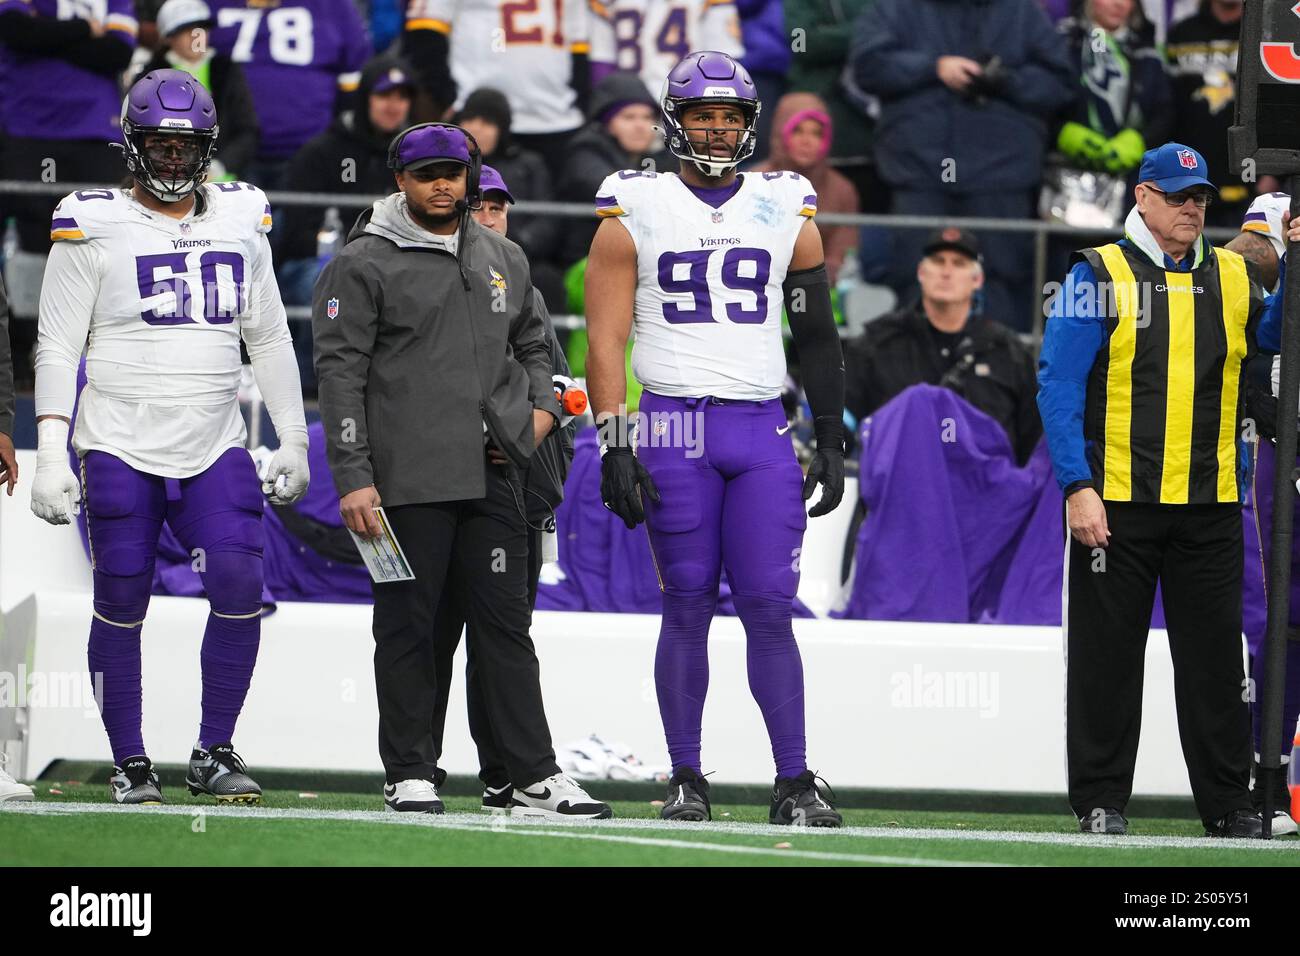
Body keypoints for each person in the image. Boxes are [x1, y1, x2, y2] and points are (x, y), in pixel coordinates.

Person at [312, 122, 610, 820]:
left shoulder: (503, 253)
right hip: (406, 478)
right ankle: (411, 771)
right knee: (413, 627)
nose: (443, 185)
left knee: (506, 628)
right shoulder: (362, 262)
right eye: (427, 174)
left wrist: (535, 420)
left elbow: (539, 346)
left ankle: (531, 775)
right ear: (400, 180)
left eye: (454, 172)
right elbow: (339, 373)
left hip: (501, 475)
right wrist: (352, 474)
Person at [29, 69, 310, 805]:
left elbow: (271, 335)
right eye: (161, 145)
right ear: (131, 142)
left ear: (210, 147)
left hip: (215, 437)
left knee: (242, 581)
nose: (176, 161)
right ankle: (130, 760)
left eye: (188, 149)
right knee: (122, 599)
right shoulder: (91, 220)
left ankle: (213, 749)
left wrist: (295, 440)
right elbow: (57, 346)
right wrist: (52, 452)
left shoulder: (243, 214)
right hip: (118, 437)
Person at [585, 51, 846, 826]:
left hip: (760, 423)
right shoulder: (635, 202)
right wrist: (616, 440)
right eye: (703, 114)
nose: (717, 128)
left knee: (771, 603)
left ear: (748, 124)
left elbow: (817, 331)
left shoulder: (784, 200)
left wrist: (829, 434)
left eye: (729, 117)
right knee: (688, 602)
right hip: (671, 420)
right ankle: (687, 776)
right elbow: (605, 339)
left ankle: (794, 780)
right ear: (676, 120)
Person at [1037, 142, 1269, 838]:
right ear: (1142, 197)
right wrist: (1077, 485)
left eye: (1199, 196)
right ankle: (1102, 801)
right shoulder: (1097, 273)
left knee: (1216, 667)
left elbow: (1279, 338)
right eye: (1177, 196)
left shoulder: (1232, 276)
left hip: (1210, 501)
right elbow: (1058, 384)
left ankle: (1230, 805)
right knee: (1108, 661)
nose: (1193, 207)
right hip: (1118, 503)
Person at [428, 164, 578, 811]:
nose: (489, 216)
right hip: (435, 482)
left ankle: (504, 774)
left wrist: (537, 462)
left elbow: (558, 390)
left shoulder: (524, 283)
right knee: (429, 633)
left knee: (503, 633)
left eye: (498, 207)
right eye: (478, 206)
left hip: (514, 484)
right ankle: (415, 767)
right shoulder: (425, 278)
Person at [851, 0, 1074, 333]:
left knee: (999, 291)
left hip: (1000, 181)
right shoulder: (897, 8)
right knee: (917, 282)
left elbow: (1060, 84)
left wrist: (1003, 80)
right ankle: (917, 384)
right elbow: (868, 66)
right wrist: (933, 68)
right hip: (919, 177)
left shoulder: (1022, 13)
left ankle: (995, 382)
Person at [0, 0, 138, 386]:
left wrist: (47, 35)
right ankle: (28, 354)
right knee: (32, 240)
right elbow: (16, 33)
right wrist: (84, 29)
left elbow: (116, 51)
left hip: (94, 133)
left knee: (96, 245)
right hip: (27, 128)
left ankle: (95, 355)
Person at [844, 228, 1041, 465]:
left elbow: (1033, 445)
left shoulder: (1010, 353)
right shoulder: (876, 344)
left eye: (959, 263)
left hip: (987, 496)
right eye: (938, 261)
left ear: (977, 280)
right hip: (903, 493)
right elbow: (842, 421)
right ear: (921, 272)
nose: (946, 272)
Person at [279, 54, 415, 392]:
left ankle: (399, 391)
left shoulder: (413, 156)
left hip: (395, 263)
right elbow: (295, 233)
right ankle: (315, 388)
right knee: (329, 281)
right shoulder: (322, 152)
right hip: (319, 262)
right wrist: (351, 253)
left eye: (401, 97)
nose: (393, 105)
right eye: (384, 95)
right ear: (365, 96)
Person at [402, 0, 590, 175]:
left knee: (550, 207)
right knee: (475, 205)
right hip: (480, 118)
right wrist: (450, 98)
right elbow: (425, 31)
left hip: (556, 119)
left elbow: (578, 43)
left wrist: (577, 101)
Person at [206, 0, 371, 191]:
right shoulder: (206, 6)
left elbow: (355, 79)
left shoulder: (333, 6)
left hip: (308, 154)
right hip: (228, 155)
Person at [452, 88, 564, 309]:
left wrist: (515, 245)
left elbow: (549, 219)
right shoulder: (449, 169)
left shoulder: (529, 165)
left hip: (522, 256)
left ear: (501, 128)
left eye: (487, 122)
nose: (476, 128)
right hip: (458, 254)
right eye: (470, 119)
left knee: (547, 279)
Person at [557, 71, 672, 267]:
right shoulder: (585, 151)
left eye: (647, 117)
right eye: (628, 117)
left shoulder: (658, 158)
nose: (640, 126)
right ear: (607, 123)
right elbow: (611, 191)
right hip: (584, 262)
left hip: (638, 259)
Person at [135, 0, 258, 182]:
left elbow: (247, 129)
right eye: (186, 30)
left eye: (201, 29)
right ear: (168, 37)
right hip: (164, 178)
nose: (196, 37)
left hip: (221, 183)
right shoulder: (150, 74)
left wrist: (218, 167)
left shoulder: (226, 70)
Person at [1052, 0, 1172, 186]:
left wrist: (1140, 141)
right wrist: (1062, 132)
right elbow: (1042, 97)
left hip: (1133, 178)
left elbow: (1165, 111)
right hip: (1065, 173)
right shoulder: (1062, 41)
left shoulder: (1148, 51)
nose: (1119, 4)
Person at [752, 92, 860, 284]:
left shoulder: (843, 189)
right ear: (779, 133)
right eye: (797, 131)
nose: (807, 141)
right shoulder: (753, 182)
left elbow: (842, 257)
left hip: (822, 290)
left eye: (816, 133)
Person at [1165, 0, 1247, 227]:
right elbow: (1166, 106)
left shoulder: (1265, 34)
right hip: (1185, 180)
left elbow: (1276, 103)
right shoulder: (1181, 34)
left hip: (1248, 182)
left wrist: (1271, 173)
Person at [589, 0, 744, 100]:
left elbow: (723, 63)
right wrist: (611, 107)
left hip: (688, 99)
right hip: (628, 105)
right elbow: (602, 63)